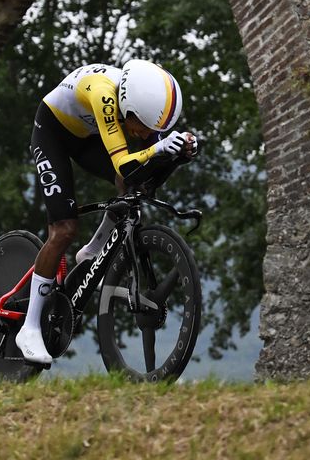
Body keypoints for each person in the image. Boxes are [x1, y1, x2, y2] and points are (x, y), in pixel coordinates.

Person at [17, 59, 199, 365]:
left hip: (86, 135)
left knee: (130, 186)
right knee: (63, 230)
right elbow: (125, 165)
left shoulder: (137, 105)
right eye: (144, 127)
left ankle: (93, 251)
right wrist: (157, 148)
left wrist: (182, 147)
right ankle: (30, 326)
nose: (146, 134)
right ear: (127, 109)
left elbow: (147, 155)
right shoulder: (104, 95)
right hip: (52, 131)